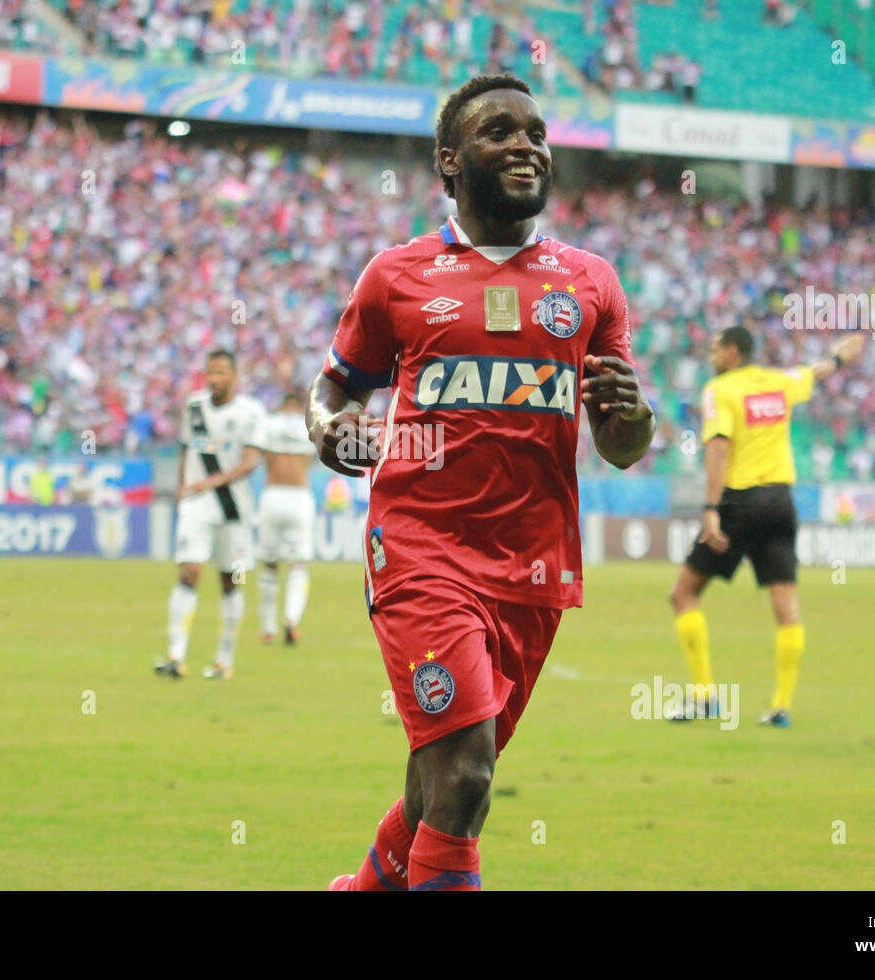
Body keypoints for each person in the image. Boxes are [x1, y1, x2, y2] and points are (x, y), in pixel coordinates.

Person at [307, 74, 654, 891]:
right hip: (422, 552)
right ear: (450, 162)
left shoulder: (591, 283)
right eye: (500, 131)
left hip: (534, 568)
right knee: (466, 780)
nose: (526, 143)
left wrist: (634, 413)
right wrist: (330, 431)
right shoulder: (396, 275)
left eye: (536, 132)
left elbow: (622, 444)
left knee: (441, 778)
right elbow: (336, 386)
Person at [667, 326, 864, 727]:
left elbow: (718, 447)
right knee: (786, 608)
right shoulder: (780, 381)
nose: (711, 355)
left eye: (716, 349)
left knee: (684, 594)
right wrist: (843, 356)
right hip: (780, 502)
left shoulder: (719, 390)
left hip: (739, 502)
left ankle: (705, 696)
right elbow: (819, 370)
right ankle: (780, 706)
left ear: (734, 352)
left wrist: (710, 508)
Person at [156, 350, 265, 681]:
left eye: (221, 372)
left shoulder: (251, 412)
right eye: (210, 373)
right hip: (196, 504)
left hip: (233, 508)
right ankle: (176, 656)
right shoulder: (193, 407)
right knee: (189, 571)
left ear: (234, 375)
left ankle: (223, 659)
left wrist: (210, 482)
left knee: (230, 581)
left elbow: (250, 462)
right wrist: (182, 489)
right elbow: (186, 449)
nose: (214, 379)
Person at [256, 392, 317, 646]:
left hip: (273, 495)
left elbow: (261, 455)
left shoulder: (269, 424)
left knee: (269, 564)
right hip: (299, 497)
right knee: (298, 565)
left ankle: (268, 629)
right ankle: (291, 619)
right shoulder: (310, 425)